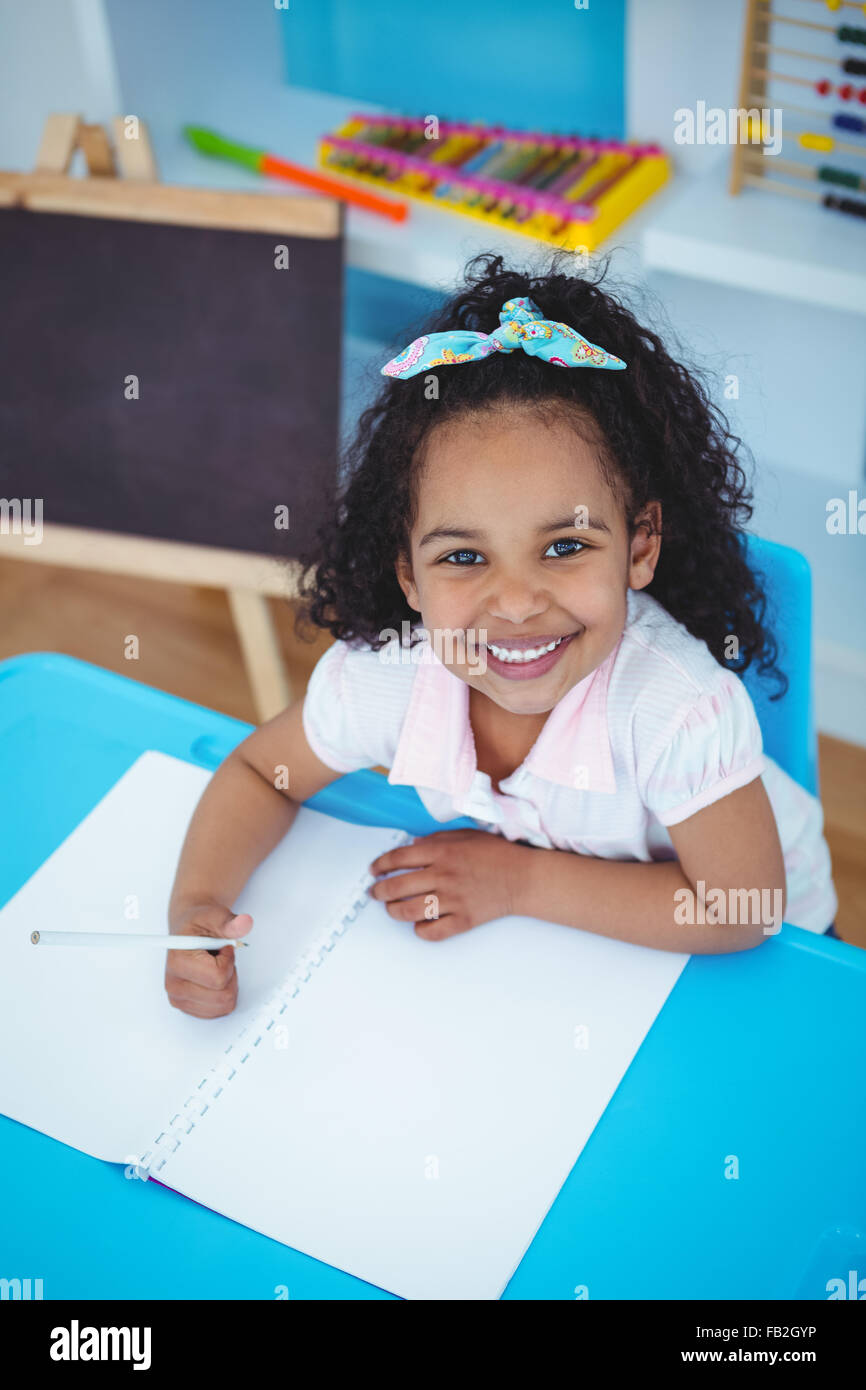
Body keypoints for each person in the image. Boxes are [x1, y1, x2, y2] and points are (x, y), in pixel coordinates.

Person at [165, 252, 838, 1018]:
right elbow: (261, 773)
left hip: (777, 952)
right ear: (409, 578)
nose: (515, 605)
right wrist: (195, 905)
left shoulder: (675, 711)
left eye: (564, 546)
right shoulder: (393, 677)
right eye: (462, 556)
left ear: (640, 545)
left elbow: (743, 908)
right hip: (583, 954)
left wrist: (515, 880)